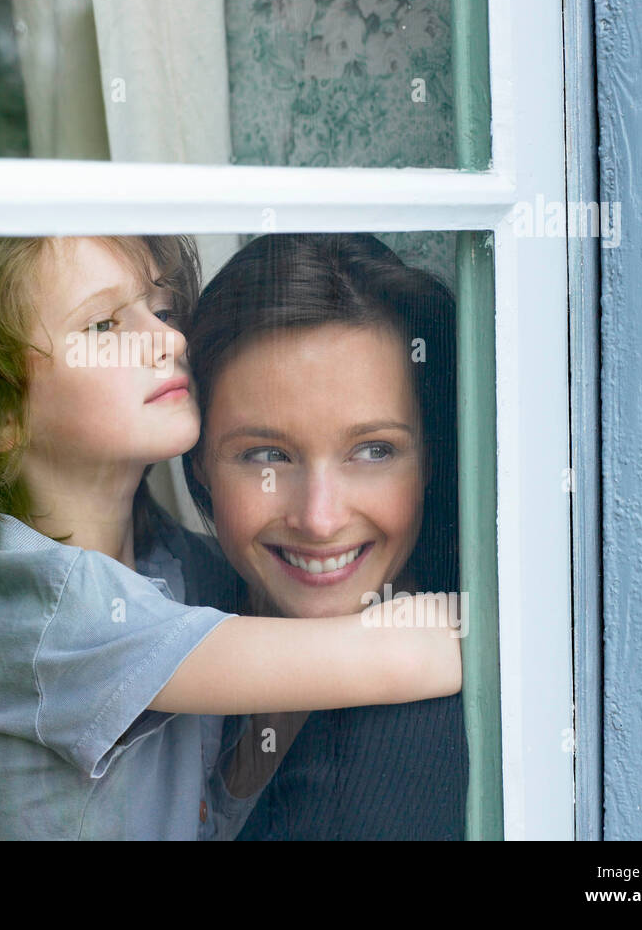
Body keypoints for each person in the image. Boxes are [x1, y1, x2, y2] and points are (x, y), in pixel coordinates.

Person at [0, 234, 462, 840]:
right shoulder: (53, 620)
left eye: (164, 310)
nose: (170, 340)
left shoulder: (163, 565)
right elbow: (415, 652)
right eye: (102, 326)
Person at [181, 232, 468, 840]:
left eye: (373, 450)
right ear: (199, 459)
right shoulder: (177, 609)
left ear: (432, 460)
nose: (319, 518)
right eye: (266, 454)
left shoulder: (398, 767)